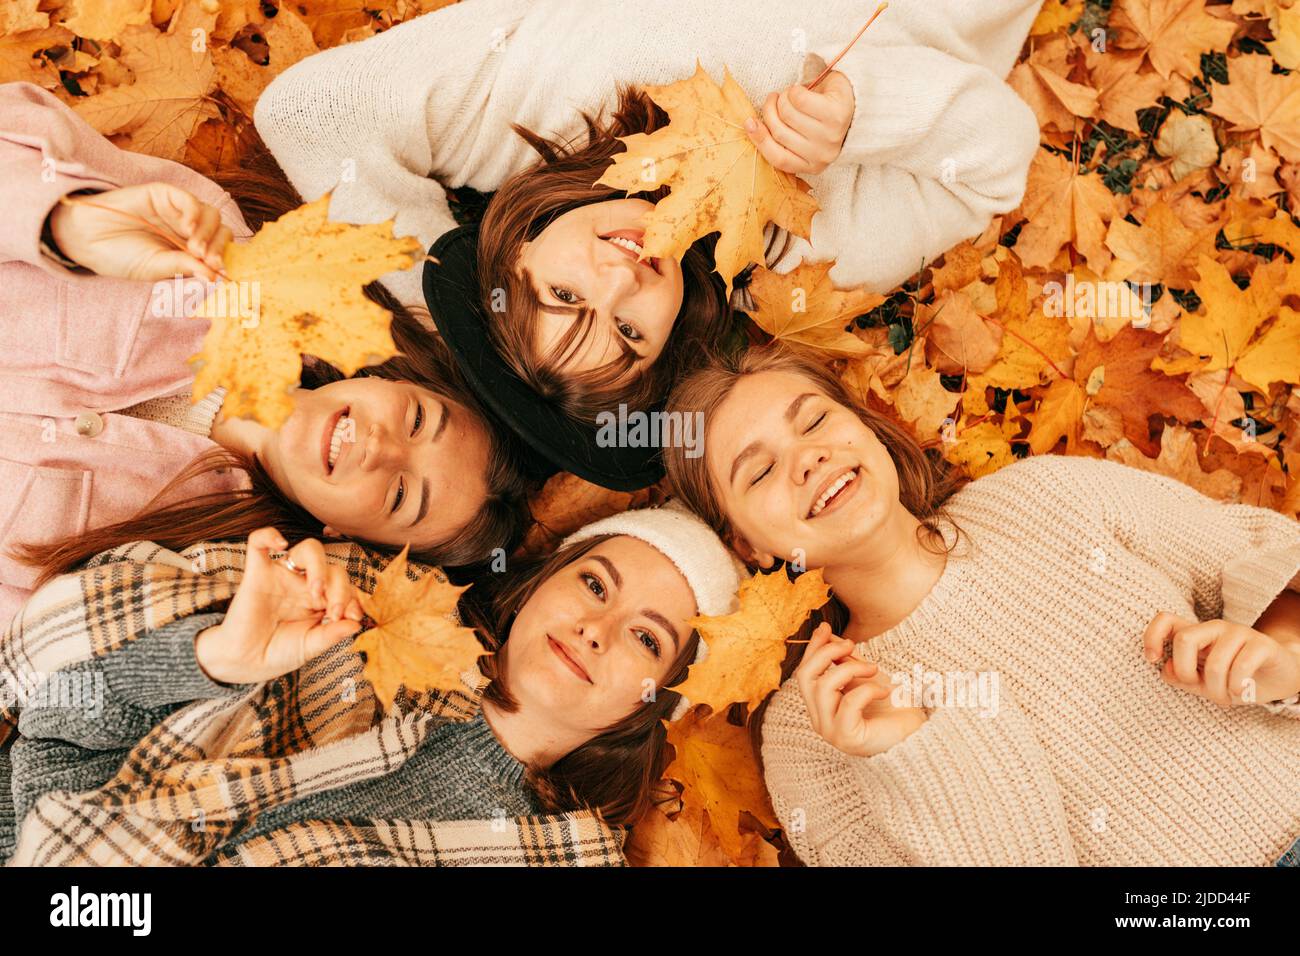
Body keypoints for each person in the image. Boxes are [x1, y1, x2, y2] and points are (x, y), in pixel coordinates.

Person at [252, 0, 1045, 485]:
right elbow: (992, 167)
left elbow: (310, 112)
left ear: (512, 255)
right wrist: (861, 110)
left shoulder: (517, 126)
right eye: (629, 333)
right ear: (669, 345)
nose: (619, 278)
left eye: (562, 297)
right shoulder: (800, 243)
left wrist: (451, 330)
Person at [662, 343, 1300, 866]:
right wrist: (917, 755)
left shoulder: (1045, 495)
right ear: (747, 544)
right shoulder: (811, 732)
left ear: (867, 428)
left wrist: (1285, 658)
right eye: (760, 472)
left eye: (815, 421)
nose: (808, 457)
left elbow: (1271, 555)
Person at [0, 82, 531, 631]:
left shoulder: (172, 573)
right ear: (396, 380)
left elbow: (22, 650)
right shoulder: (221, 253)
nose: (382, 447)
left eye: (401, 495)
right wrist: (64, 222)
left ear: (345, 537)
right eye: (418, 420)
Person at [0, 503, 743, 865]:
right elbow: (54, 710)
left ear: (654, 706)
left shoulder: (555, 856)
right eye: (592, 583)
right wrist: (213, 660)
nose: (596, 629)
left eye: (648, 638)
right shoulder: (365, 606)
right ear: (536, 583)